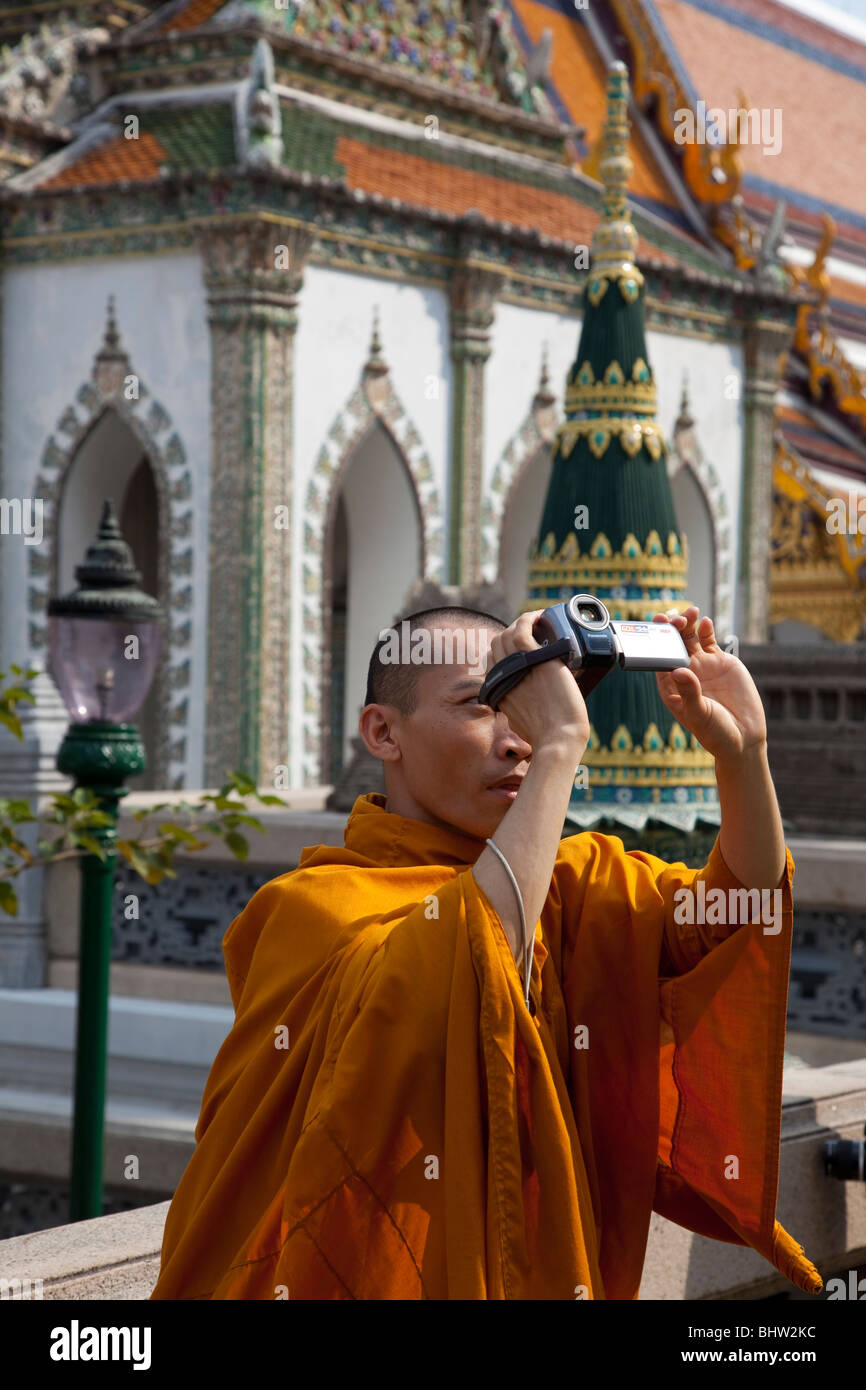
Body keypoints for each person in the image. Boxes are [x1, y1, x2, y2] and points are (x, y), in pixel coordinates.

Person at [149, 603, 822, 1300]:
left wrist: (744, 758)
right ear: (384, 733)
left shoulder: (569, 885)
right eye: (482, 704)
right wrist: (560, 744)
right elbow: (468, 968)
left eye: (522, 708)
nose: (516, 741)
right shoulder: (311, 910)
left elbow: (731, 914)